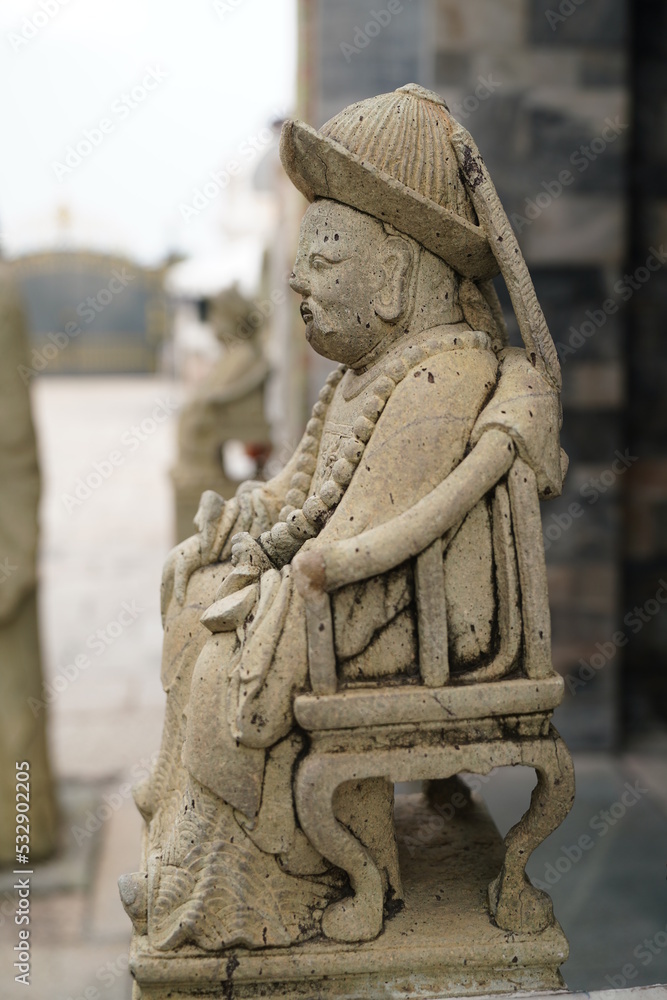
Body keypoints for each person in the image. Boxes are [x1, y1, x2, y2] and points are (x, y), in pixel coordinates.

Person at [120, 83, 564, 950]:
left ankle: (259, 887)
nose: (296, 278)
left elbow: (362, 541)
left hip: (399, 607)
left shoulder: (440, 378)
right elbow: (296, 493)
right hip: (351, 585)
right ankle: (187, 857)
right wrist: (241, 522)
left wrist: (275, 581)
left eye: (325, 255)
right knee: (198, 595)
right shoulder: (364, 377)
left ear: (395, 277)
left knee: (225, 655)